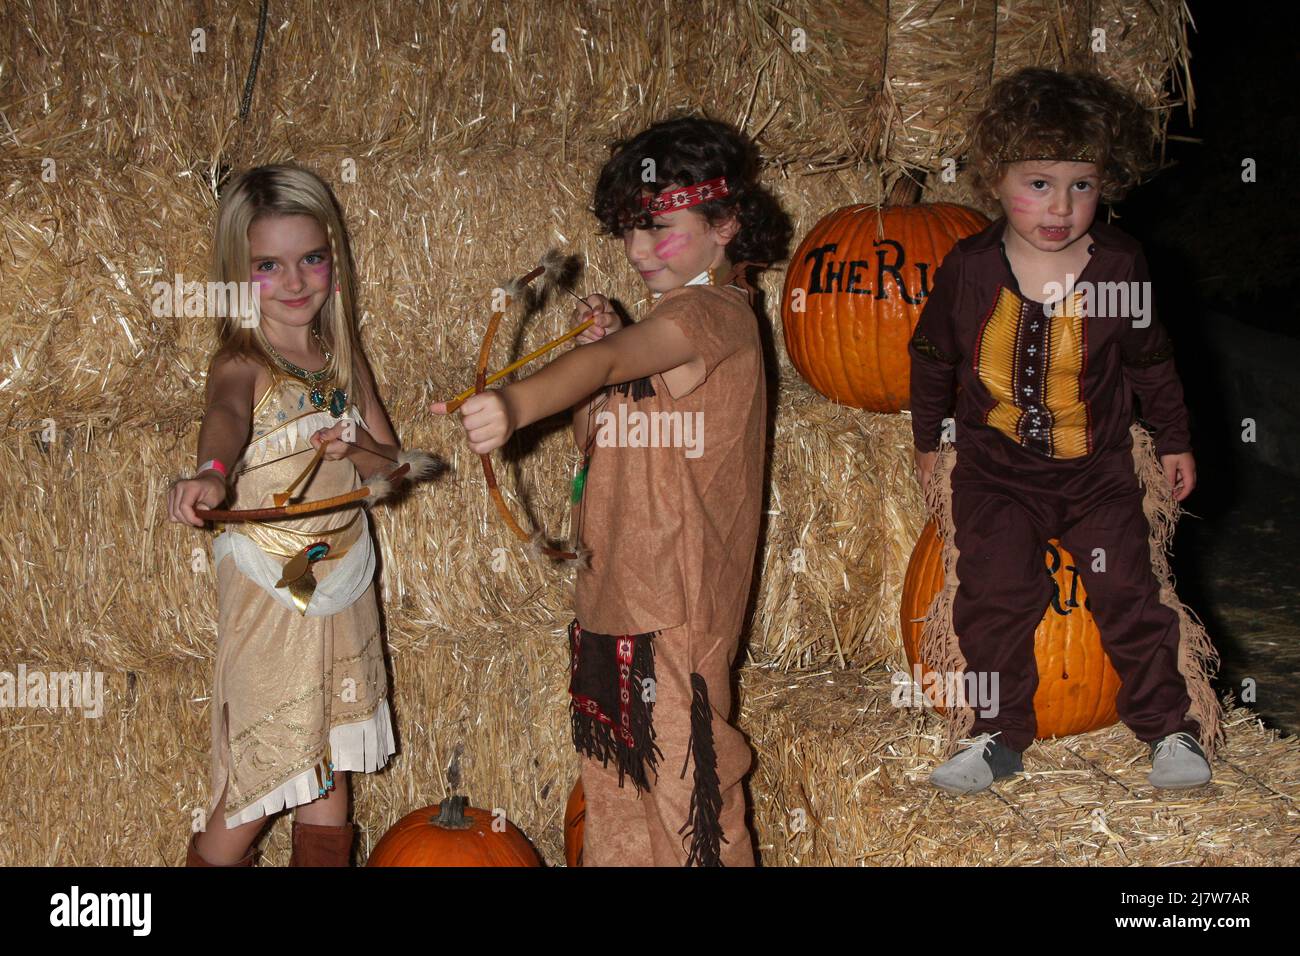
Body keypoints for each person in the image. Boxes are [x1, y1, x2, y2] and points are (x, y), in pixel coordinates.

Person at [435, 116, 790, 864]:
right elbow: (599, 430)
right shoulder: (668, 327)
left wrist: (515, 403)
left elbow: (602, 372)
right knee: (618, 798)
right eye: (627, 232)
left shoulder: (712, 316)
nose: (635, 251)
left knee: (690, 802)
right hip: (616, 601)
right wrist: (609, 349)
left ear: (724, 223)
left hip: (675, 611)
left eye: (658, 229)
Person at [909, 68, 1222, 795]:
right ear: (995, 178)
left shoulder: (1118, 264)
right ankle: (995, 735)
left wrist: (1174, 439)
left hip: (1097, 473)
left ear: (1105, 183)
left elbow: (1150, 359)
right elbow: (931, 357)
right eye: (1039, 183)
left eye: (1082, 185)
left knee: (1130, 594)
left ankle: (1168, 728)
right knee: (992, 593)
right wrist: (932, 441)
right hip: (996, 471)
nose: (1061, 206)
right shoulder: (971, 268)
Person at [168, 164, 407, 865]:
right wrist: (212, 475)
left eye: (311, 259)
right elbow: (225, 418)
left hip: (342, 573)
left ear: (334, 258)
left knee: (329, 757)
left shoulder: (342, 359)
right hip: (278, 582)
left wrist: (357, 444)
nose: (297, 282)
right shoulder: (242, 360)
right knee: (264, 767)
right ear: (236, 275)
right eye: (269, 265)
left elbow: (390, 468)